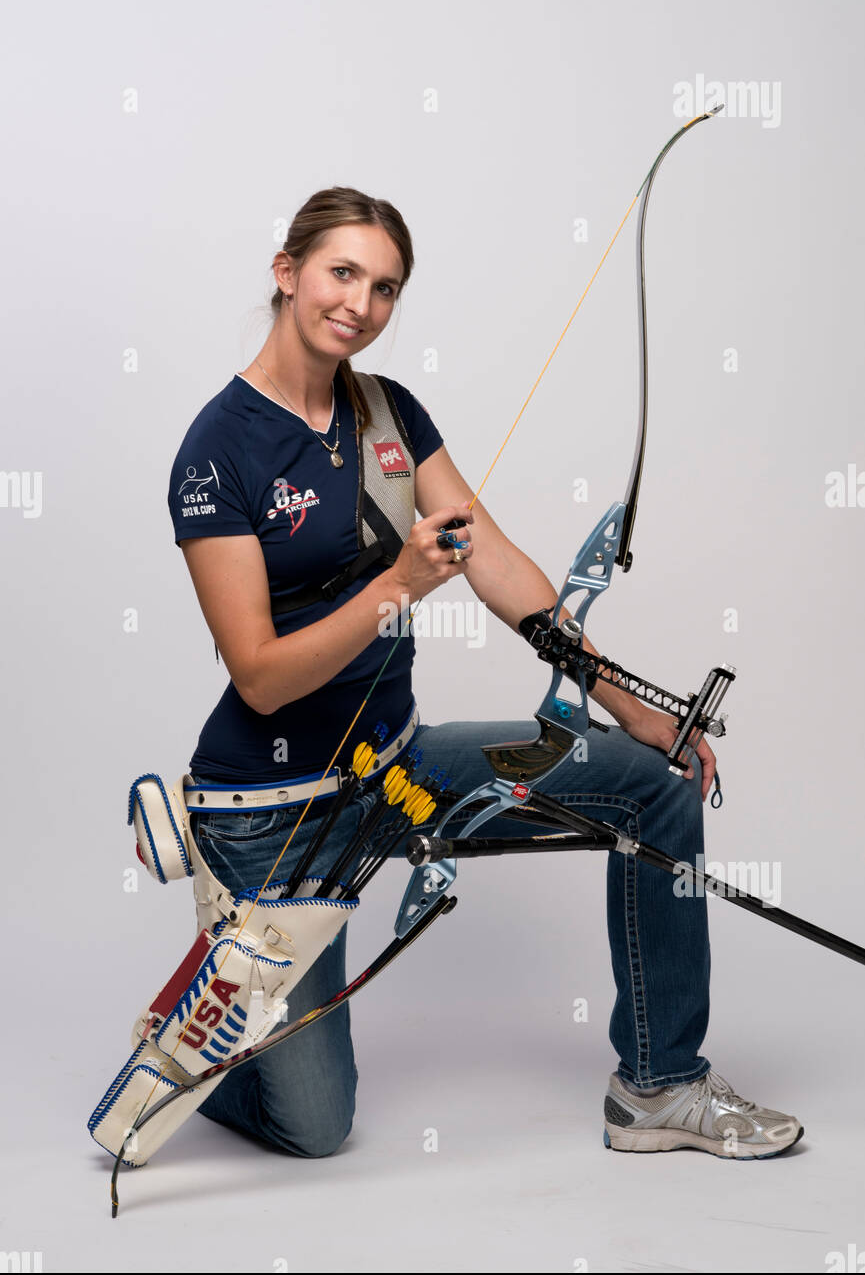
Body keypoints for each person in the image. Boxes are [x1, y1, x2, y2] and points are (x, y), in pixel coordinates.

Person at [167, 186, 802, 1161]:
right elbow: (258, 676)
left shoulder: (388, 413)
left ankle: (659, 1084)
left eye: (384, 287)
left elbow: (498, 565)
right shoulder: (217, 451)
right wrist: (398, 584)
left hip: (395, 766)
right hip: (271, 807)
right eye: (342, 272)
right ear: (287, 271)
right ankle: (204, 1041)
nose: (360, 303)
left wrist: (634, 707)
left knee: (654, 786)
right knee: (314, 1125)